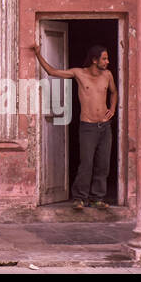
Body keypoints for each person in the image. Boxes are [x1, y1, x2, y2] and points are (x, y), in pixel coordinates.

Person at [31, 43, 117, 210]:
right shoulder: (79, 73)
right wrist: (37, 54)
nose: (107, 61)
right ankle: (80, 198)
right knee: (86, 163)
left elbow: (114, 92)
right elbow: (52, 72)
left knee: (103, 164)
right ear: (94, 60)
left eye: (107, 58)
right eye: (104, 58)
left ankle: (97, 198)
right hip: (88, 126)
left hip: (105, 127)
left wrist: (112, 108)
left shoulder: (107, 75)